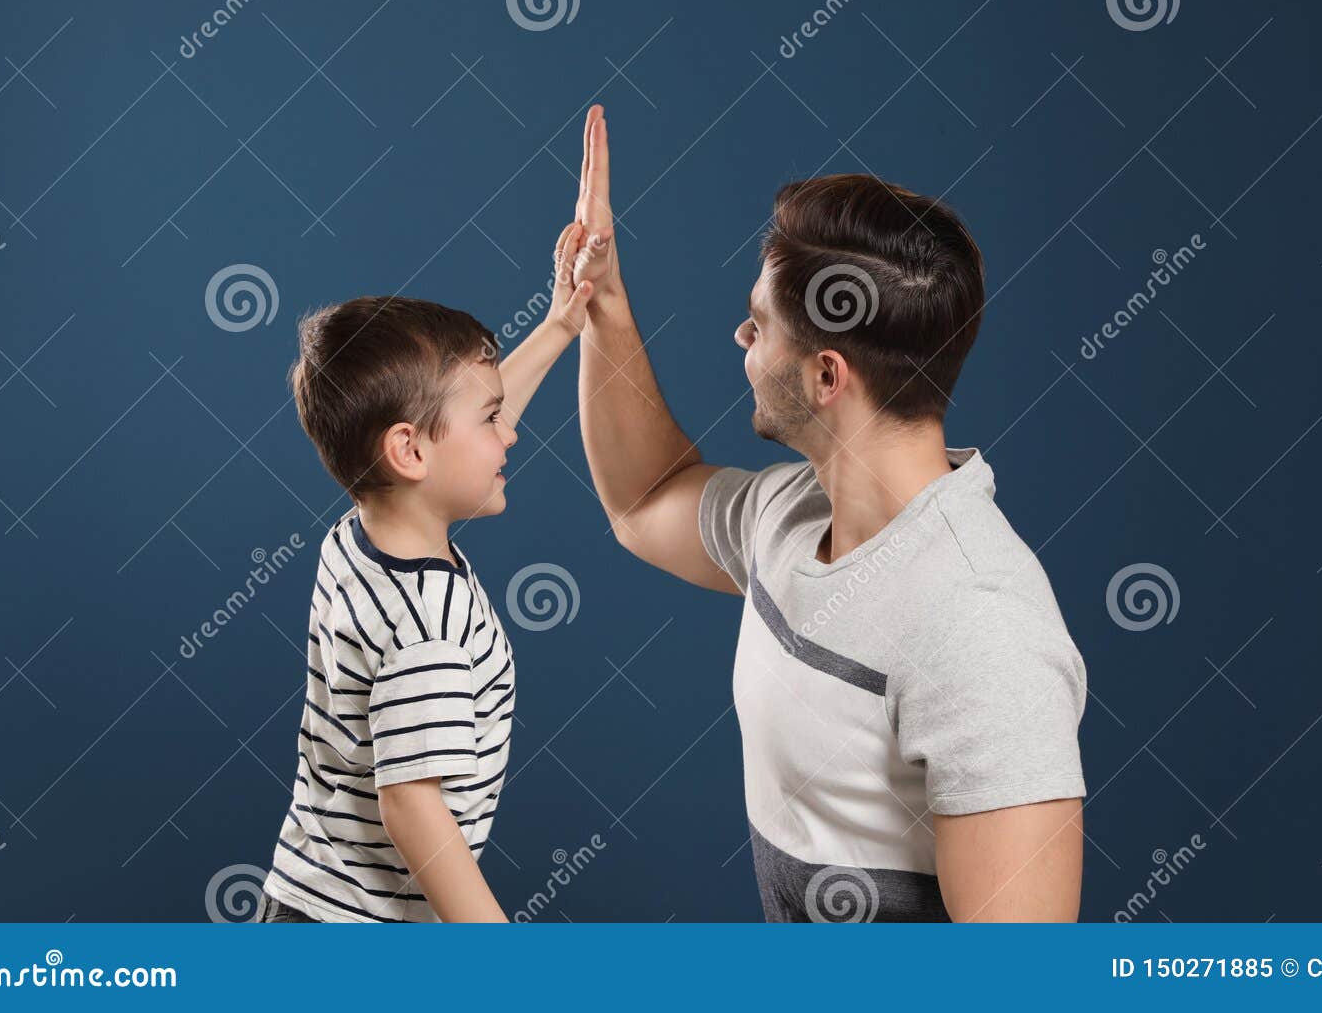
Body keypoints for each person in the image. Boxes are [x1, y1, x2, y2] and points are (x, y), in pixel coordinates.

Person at [567, 105, 1088, 922]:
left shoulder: (981, 624)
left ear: (825, 377)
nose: (740, 337)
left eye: (760, 325)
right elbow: (644, 500)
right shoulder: (789, 513)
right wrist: (603, 302)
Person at [253, 226, 596, 922]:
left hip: (301, 899)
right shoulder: (430, 624)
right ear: (407, 452)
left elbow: (451, 434)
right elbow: (412, 806)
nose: (511, 432)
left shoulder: (356, 536)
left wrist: (561, 324)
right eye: (494, 419)